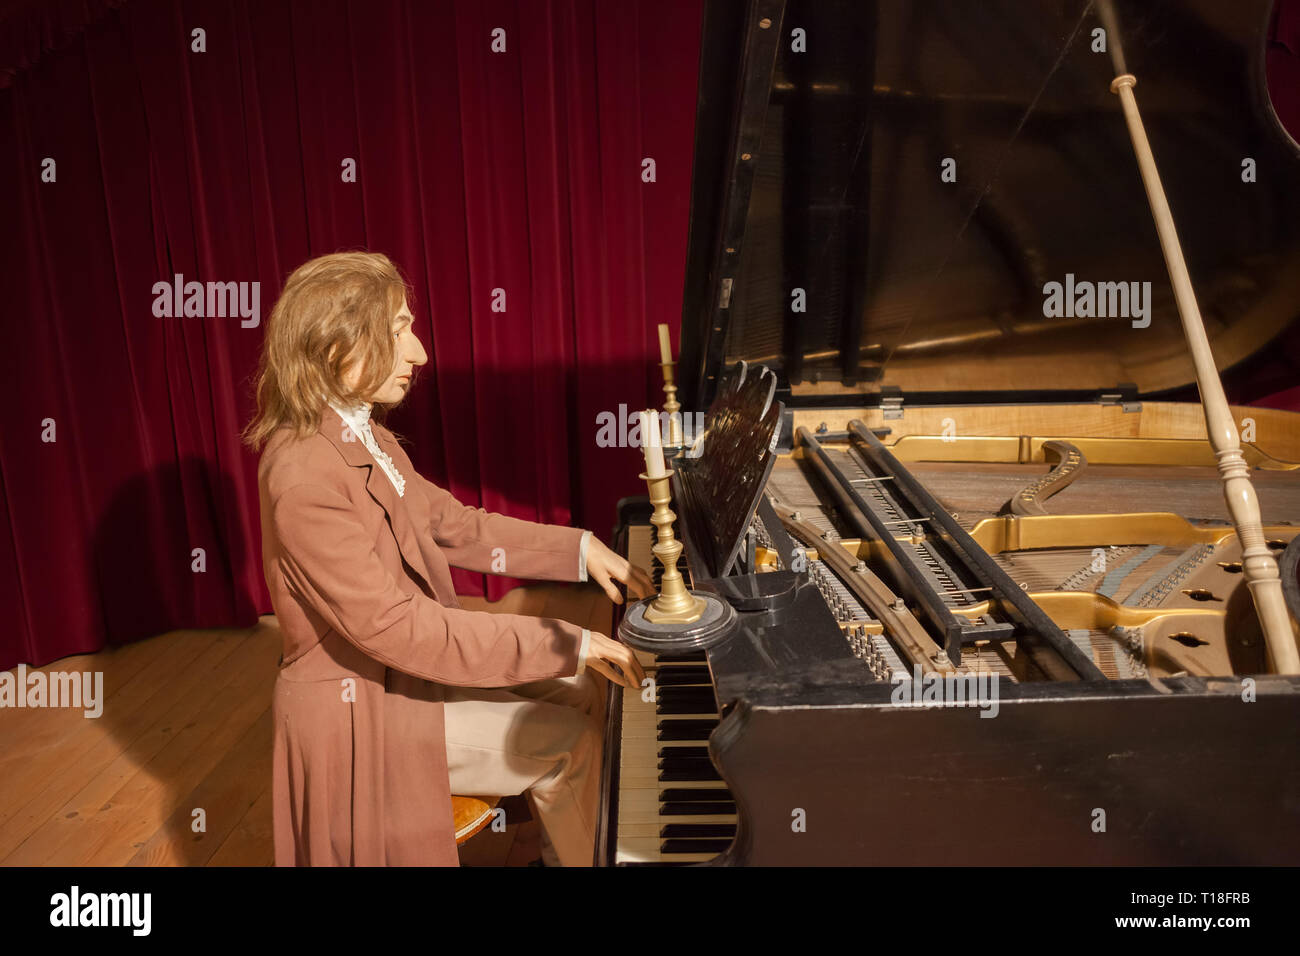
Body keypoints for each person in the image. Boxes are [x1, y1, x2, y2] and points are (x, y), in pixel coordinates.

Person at [242, 251, 651, 866]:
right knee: (573, 740)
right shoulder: (304, 475)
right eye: (399, 330)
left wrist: (583, 548)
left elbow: (455, 526)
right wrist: (568, 640)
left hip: (401, 674)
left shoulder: (364, 436)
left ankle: (553, 849)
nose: (419, 354)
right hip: (364, 712)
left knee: (581, 690)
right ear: (335, 347)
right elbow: (398, 628)